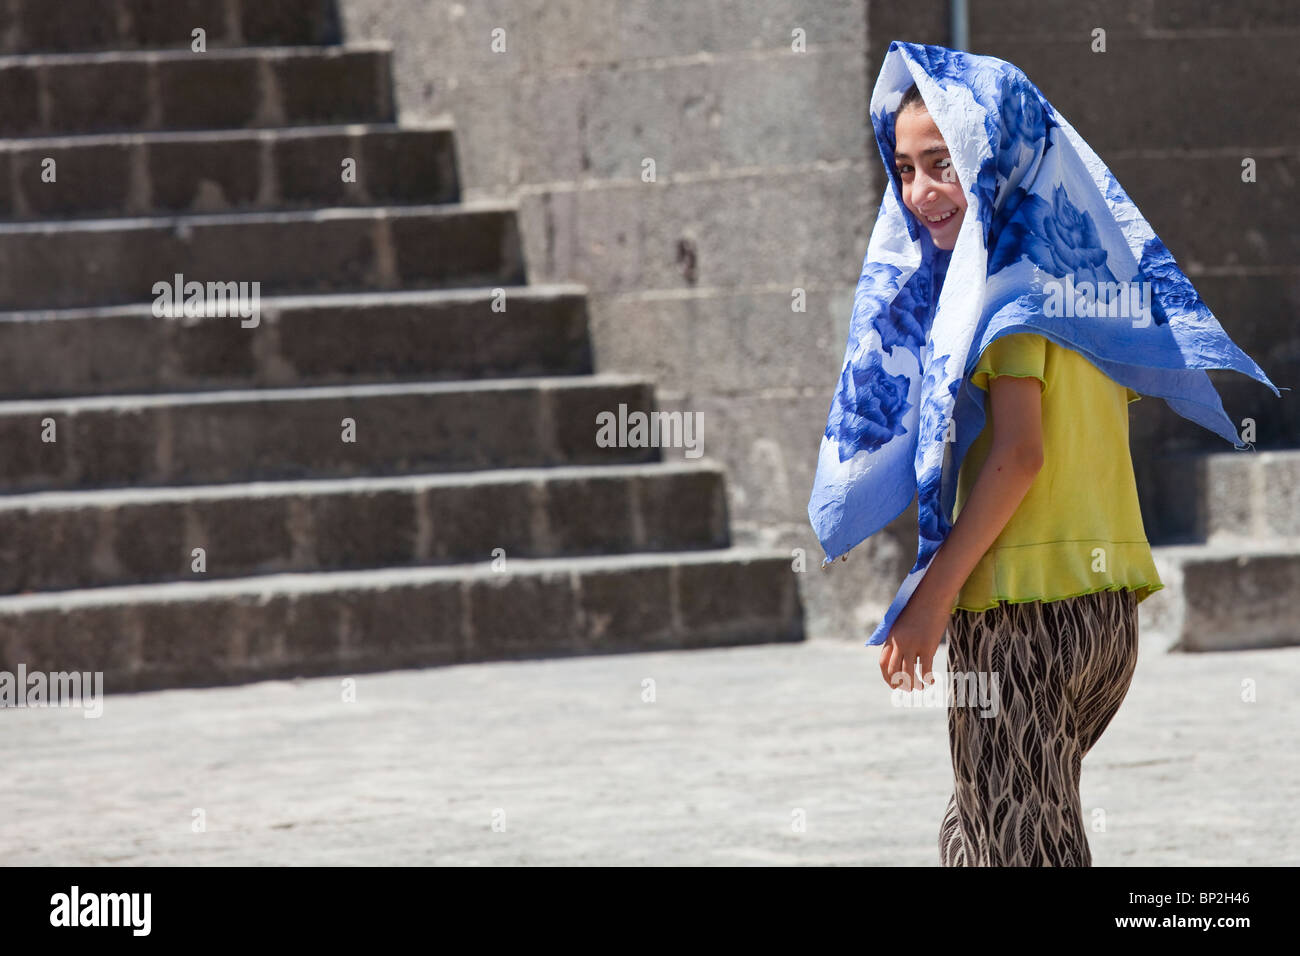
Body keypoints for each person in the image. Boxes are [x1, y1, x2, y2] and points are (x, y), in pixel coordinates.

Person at [807, 43, 1279, 866]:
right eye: (907, 168)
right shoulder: (1093, 286)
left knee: (1020, 848)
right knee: (981, 833)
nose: (921, 193)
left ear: (998, 154)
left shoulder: (1005, 296)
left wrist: (931, 598)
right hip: (1105, 609)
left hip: (1022, 615)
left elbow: (1021, 456)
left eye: (944, 164)